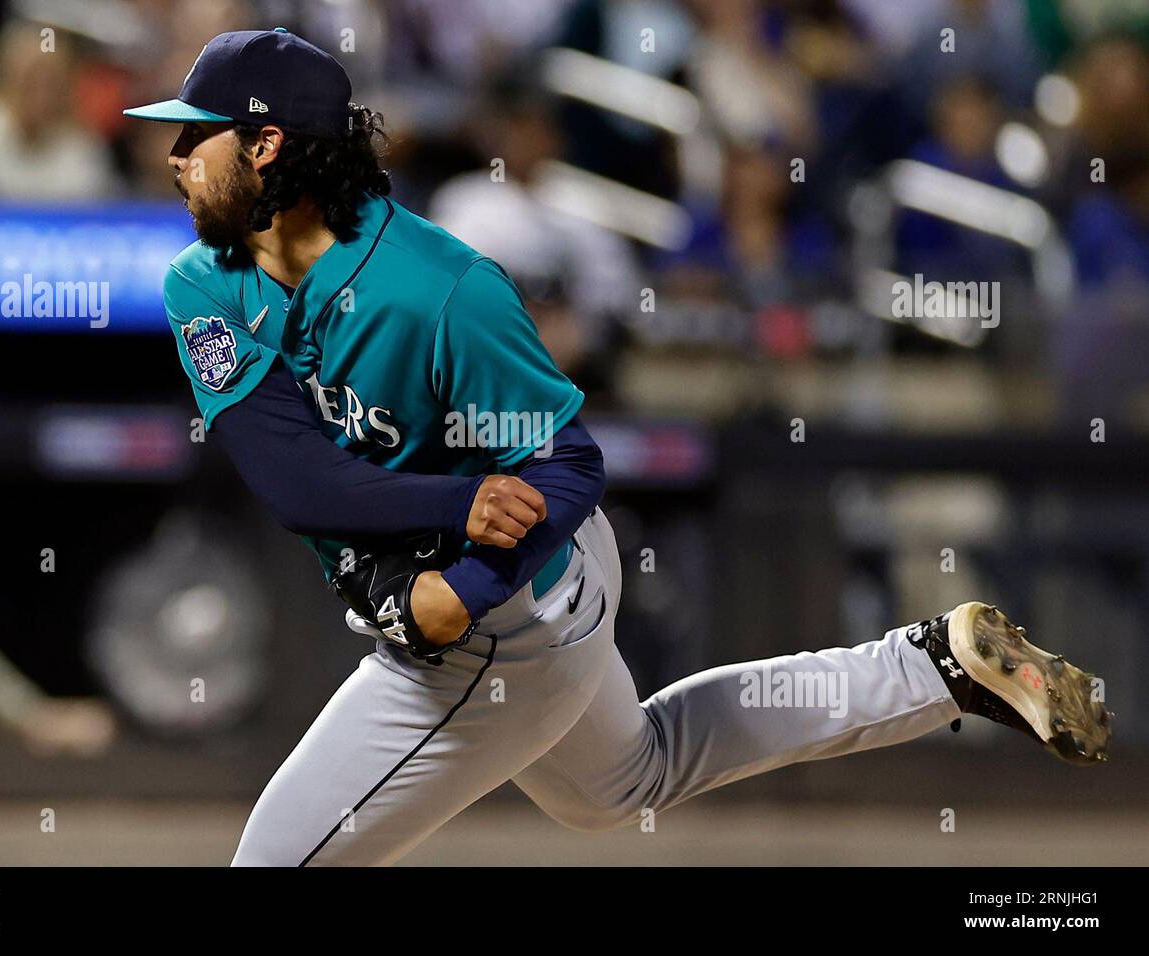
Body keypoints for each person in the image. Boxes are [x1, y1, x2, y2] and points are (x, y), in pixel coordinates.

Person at [124, 28, 1111, 866]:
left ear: (263, 147)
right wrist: (450, 508)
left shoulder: (440, 290)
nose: (172, 156)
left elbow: (566, 466)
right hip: (472, 573)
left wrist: (463, 577)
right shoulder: (206, 282)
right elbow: (296, 479)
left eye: (193, 137)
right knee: (622, 779)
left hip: (509, 607)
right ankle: (932, 666)